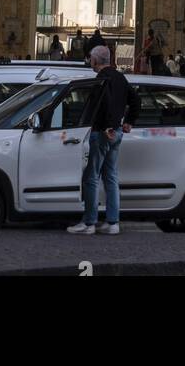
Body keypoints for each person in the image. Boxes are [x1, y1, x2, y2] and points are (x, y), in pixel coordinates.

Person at [67, 46, 141, 237]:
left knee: (91, 177)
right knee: (111, 177)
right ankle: (112, 223)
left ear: (96, 60)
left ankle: (89, 222)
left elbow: (105, 102)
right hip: (116, 132)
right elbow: (136, 99)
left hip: (103, 132)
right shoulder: (120, 77)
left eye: (91, 58)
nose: (89, 60)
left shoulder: (102, 79)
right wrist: (128, 122)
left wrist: (107, 126)